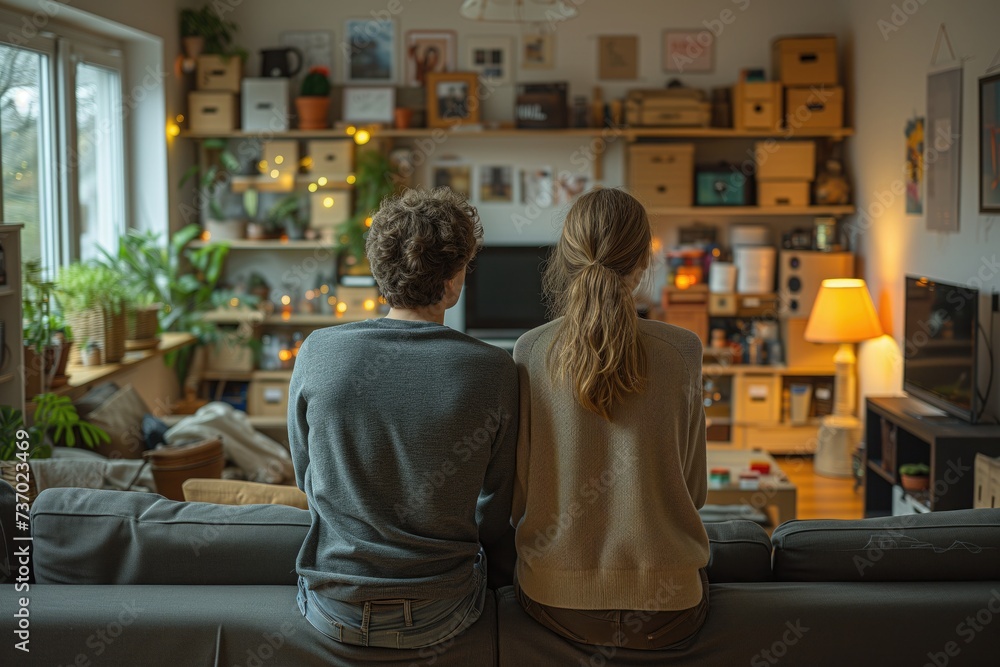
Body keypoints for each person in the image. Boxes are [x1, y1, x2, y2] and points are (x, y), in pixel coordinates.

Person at [289, 188, 518, 649]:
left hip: (334, 607)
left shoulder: (318, 351)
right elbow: (496, 508)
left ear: (379, 272)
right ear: (453, 282)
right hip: (443, 608)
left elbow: (305, 474)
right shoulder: (494, 369)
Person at [512, 187, 709, 650]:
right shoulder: (683, 352)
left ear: (566, 257)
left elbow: (519, 495)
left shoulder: (530, 352)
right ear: (644, 260)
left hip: (555, 600)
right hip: (670, 609)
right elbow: (695, 491)